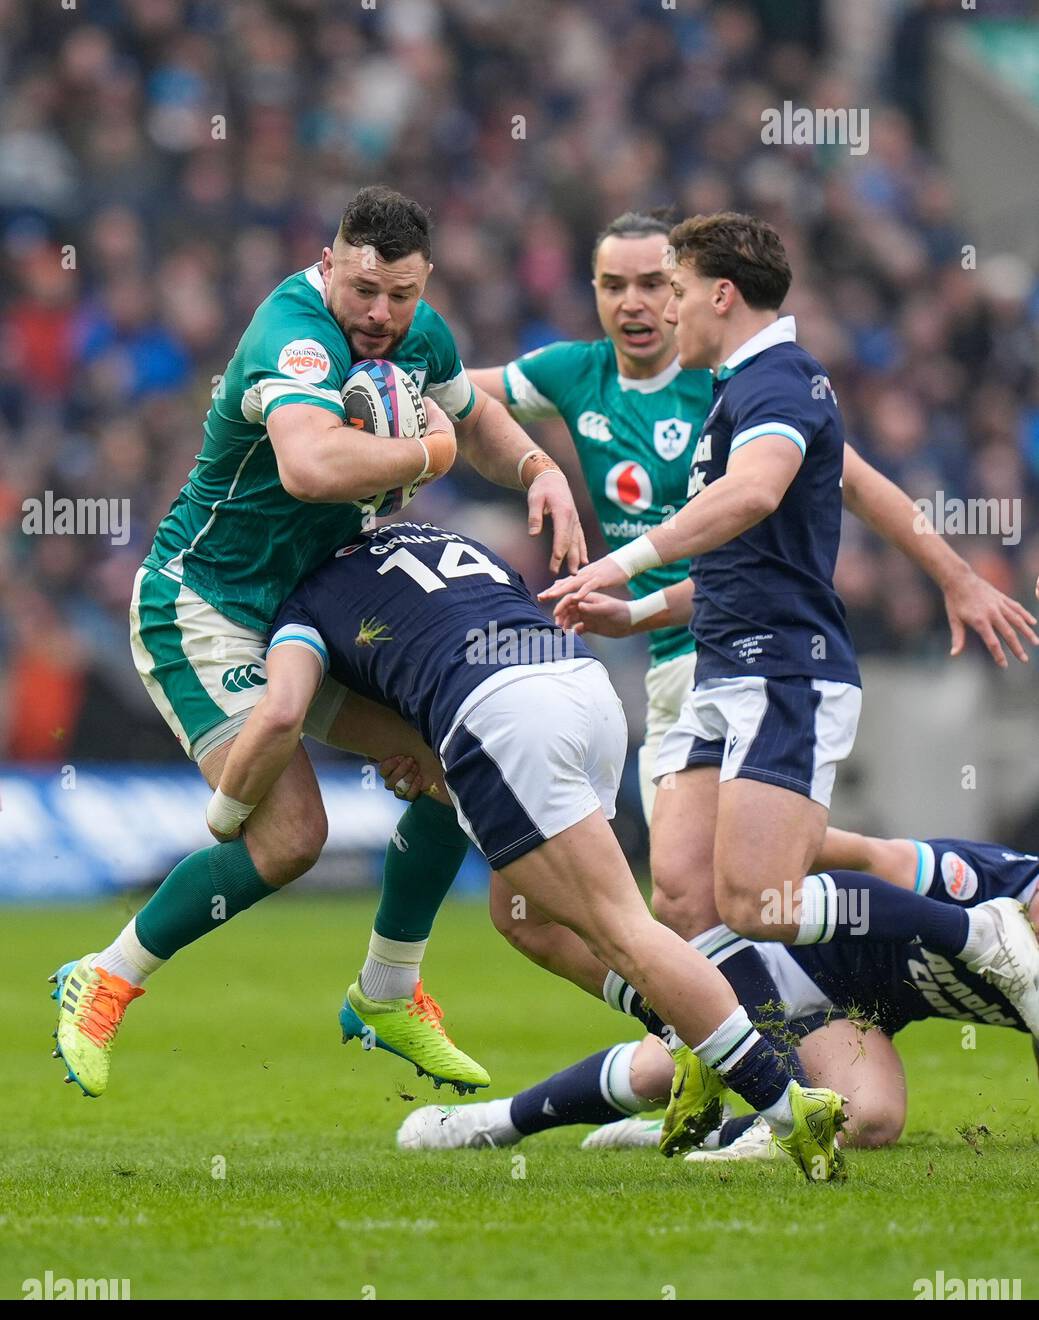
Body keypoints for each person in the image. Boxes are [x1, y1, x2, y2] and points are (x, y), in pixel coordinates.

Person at [49, 185, 586, 1100]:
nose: (380, 315)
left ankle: (386, 990)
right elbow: (308, 466)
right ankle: (105, 975)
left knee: (459, 767)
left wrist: (538, 468)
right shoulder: (292, 334)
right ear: (329, 263)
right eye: (365, 289)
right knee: (294, 835)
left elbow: (477, 415)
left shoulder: (420, 336)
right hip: (205, 604)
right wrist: (429, 456)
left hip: (311, 603)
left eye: (402, 295)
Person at [541, 213, 1039, 1149]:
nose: (666, 308)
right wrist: (639, 612)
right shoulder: (738, 385)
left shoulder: (780, 379)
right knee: (683, 894)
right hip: (721, 665)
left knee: (756, 904)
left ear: (719, 295)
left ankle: (976, 937)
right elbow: (752, 546)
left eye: (676, 289)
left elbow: (757, 494)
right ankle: (749, 1085)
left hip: (782, 671)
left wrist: (623, 562)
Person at [203, 517, 848, 1180]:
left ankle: (785, 1106)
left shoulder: (300, 600)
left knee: (621, 929)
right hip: (581, 688)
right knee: (526, 919)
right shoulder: (434, 535)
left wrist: (225, 812)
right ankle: (685, 1035)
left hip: (503, 719)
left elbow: (282, 713)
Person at [397, 827, 1039, 1159]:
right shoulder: (975, 882)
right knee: (660, 1066)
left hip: (856, 1011)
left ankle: (697, 1135)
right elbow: (857, 854)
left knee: (869, 1121)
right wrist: (749, 867)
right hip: (790, 956)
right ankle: (491, 1124)